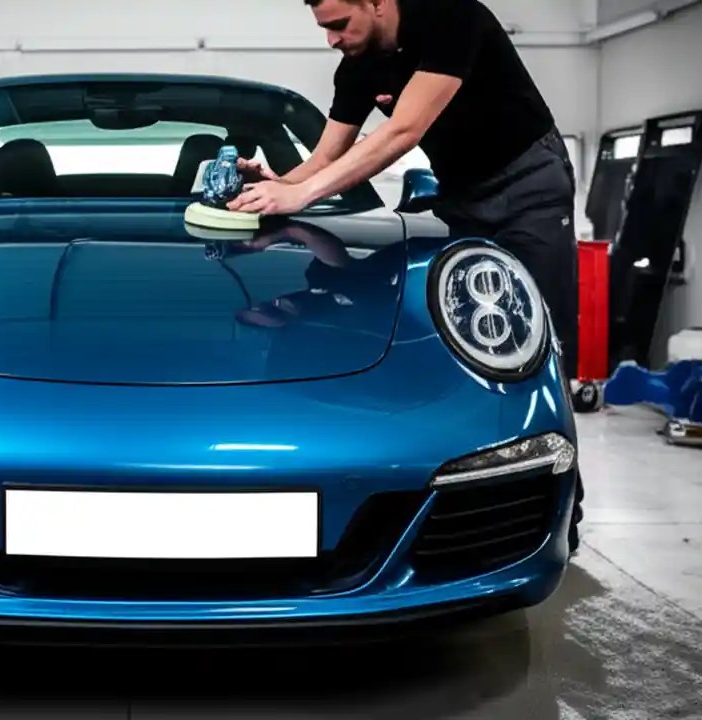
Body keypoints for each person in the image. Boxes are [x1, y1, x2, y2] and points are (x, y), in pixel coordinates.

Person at [228, 0, 584, 552]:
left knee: (540, 343)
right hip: (463, 196)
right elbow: (324, 159)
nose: (331, 40)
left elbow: (404, 131)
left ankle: (564, 508)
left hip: (527, 188)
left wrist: (297, 194)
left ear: (378, 3)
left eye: (339, 25)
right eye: (323, 28)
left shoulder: (451, 17)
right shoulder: (358, 66)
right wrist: (276, 185)